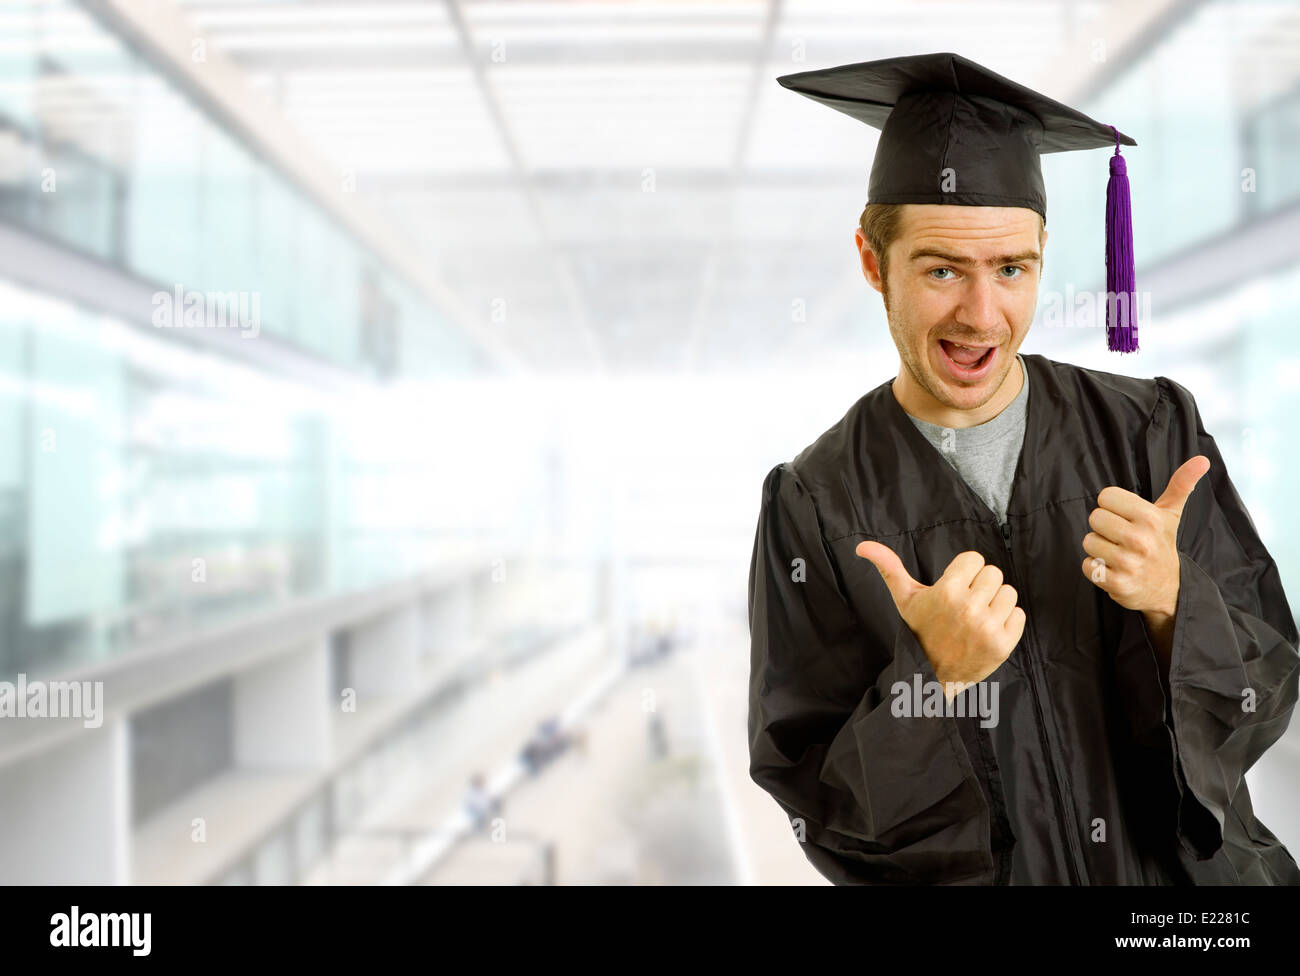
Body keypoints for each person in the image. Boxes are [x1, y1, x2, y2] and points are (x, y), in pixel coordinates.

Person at [747, 52, 1300, 885]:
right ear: (872, 261)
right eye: (941, 270)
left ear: (1043, 253)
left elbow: (1266, 690)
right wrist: (931, 686)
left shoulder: (1148, 429)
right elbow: (822, 811)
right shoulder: (817, 505)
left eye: (1011, 269)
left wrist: (1174, 604)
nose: (981, 314)